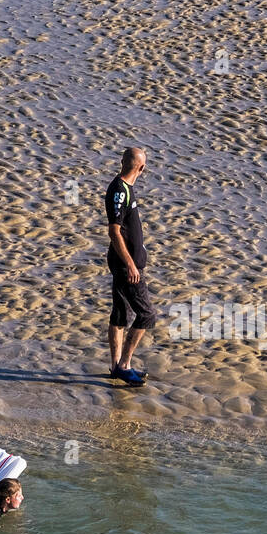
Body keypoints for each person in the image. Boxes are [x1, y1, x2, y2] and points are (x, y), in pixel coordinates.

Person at [105, 147, 156, 386]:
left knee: (121, 314)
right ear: (141, 168)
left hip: (124, 263)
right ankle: (125, 365)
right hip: (127, 267)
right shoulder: (119, 192)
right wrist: (131, 265)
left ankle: (115, 366)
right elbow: (114, 231)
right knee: (146, 315)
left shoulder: (125, 188)